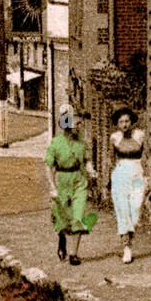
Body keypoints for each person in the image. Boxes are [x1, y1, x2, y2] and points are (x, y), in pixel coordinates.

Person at [45, 104, 97, 265]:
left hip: (79, 181)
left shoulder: (82, 142)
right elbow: (49, 166)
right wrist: (52, 186)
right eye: (77, 123)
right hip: (63, 180)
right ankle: (62, 237)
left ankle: (74, 254)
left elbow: (87, 159)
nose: (79, 127)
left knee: (78, 216)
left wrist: (91, 170)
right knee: (63, 218)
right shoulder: (56, 143)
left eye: (80, 123)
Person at [109, 107, 146, 264]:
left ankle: (130, 240)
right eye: (121, 122)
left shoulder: (140, 136)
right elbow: (111, 159)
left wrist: (149, 176)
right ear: (117, 124)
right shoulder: (114, 138)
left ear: (132, 122)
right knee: (123, 210)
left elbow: (147, 156)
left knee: (136, 208)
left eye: (127, 121)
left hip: (137, 173)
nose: (124, 125)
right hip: (121, 173)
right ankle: (127, 248)